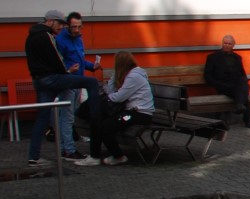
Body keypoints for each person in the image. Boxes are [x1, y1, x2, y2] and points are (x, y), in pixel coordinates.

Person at [25, 9, 102, 165]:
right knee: (91, 83)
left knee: (42, 118)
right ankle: (96, 120)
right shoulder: (48, 36)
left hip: (39, 80)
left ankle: (33, 157)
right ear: (51, 21)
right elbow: (57, 60)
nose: (61, 28)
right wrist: (66, 72)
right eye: (60, 24)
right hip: (53, 78)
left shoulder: (31, 36)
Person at [75, 50, 155, 166]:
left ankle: (118, 156)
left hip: (139, 114)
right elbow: (109, 90)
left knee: (105, 126)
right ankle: (95, 156)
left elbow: (118, 97)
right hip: (128, 111)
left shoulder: (134, 77)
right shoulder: (127, 74)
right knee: (98, 120)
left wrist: (109, 97)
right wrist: (114, 77)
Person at [54, 11, 103, 156]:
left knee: (69, 116)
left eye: (79, 27)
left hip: (78, 81)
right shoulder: (61, 40)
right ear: (67, 26)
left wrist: (91, 66)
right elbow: (58, 62)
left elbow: (80, 59)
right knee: (68, 116)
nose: (76, 30)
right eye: (73, 27)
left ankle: (65, 148)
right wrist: (67, 70)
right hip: (68, 81)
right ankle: (68, 149)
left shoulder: (78, 39)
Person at [204, 34, 250, 128]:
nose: (227, 45)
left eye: (229, 44)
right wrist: (217, 84)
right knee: (243, 92)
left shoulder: (237, 58)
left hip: (236, 85)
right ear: (222, 43)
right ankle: (249, 119)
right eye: (225, 43)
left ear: (233, 45)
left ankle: (239, 105)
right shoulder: (213, 57)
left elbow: (242, 73)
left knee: (242, 87)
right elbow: (207, 76)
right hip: (222, 85)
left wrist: (244, 82)